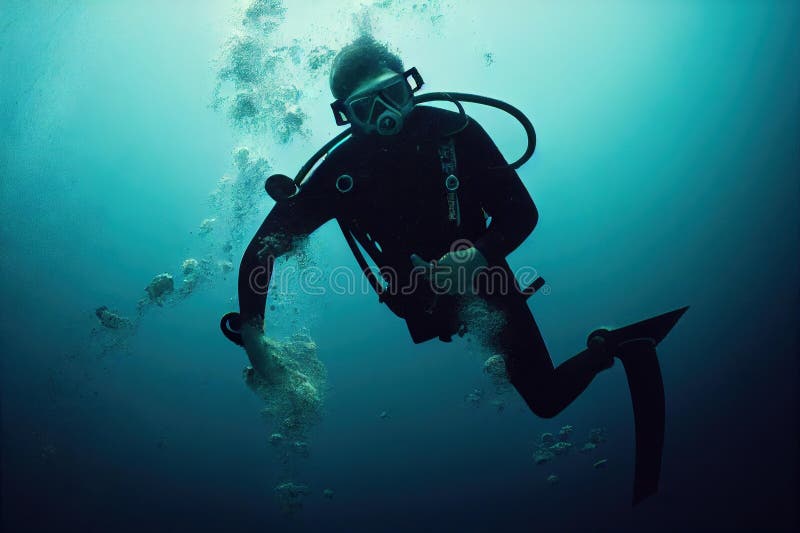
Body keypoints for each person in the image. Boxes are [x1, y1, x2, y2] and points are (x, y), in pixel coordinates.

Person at [235, 35, 617, 419]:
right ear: (346, 115)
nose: (385, 114)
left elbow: (521, 214)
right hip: (416, 296)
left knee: (546, 400)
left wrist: (478, 256)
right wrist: (255, 339)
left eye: (394, 94)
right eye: (366, 107)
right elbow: (262, 250)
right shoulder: (340, 172)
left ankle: (606, 348)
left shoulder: (456, 131)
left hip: (486, 276)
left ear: (411, 85)